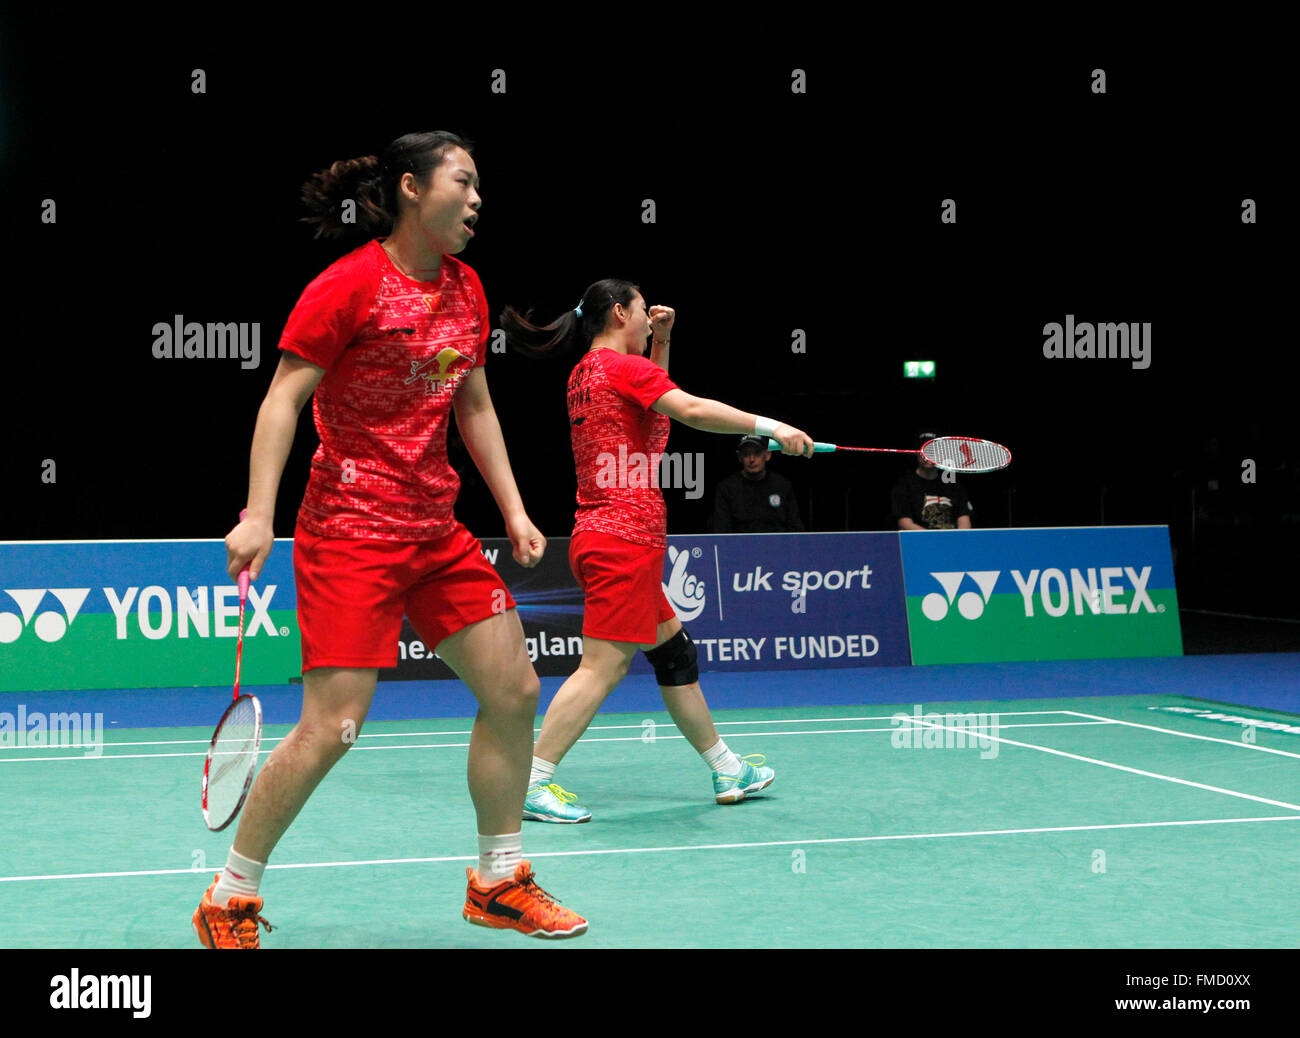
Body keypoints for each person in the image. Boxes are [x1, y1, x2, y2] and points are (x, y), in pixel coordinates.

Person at [192, 132, 587, 948]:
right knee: (334, 726)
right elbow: (281, 401)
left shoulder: (468, 289)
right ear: (412, 187)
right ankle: (230, 895)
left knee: (514, 692)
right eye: (465, 182)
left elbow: (473, 405)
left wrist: (513, 508)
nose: (479, 200)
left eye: (483, 187)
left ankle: (498, 880)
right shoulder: (347, 287)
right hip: (348, 533)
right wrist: (258, 511)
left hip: (434, 531)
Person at [501, 282, 814, 822]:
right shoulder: (623, 370)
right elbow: (688, 408)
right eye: (645, 313)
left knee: (675, 657)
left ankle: (726, 767)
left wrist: (662, 344)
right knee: (602, 668)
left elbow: (650, 430)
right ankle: (532, 779)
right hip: (623, 540)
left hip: (603, 535)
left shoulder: (585, 373)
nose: (650, 319)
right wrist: (772, 427)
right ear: (620, 312)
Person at [709, 435, 805, 532]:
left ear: (767, 454)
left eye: (757, 453)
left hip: (778, 545)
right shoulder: (727, 488)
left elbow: (796, 528)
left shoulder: (782, 485)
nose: (752, 459)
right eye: (746, 454)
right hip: (740, 546)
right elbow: (721, 531)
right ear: (739, 456)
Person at [891, 430, 974, 530]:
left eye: (932, 450)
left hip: (951, 541)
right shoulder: (905, 485)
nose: (927, 455)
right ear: (917, 453)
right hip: (920, 542)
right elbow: (904, 523)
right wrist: (933, 540)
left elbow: (964, 519)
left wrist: (956, 540)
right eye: (924, 450)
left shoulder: (952, 483)